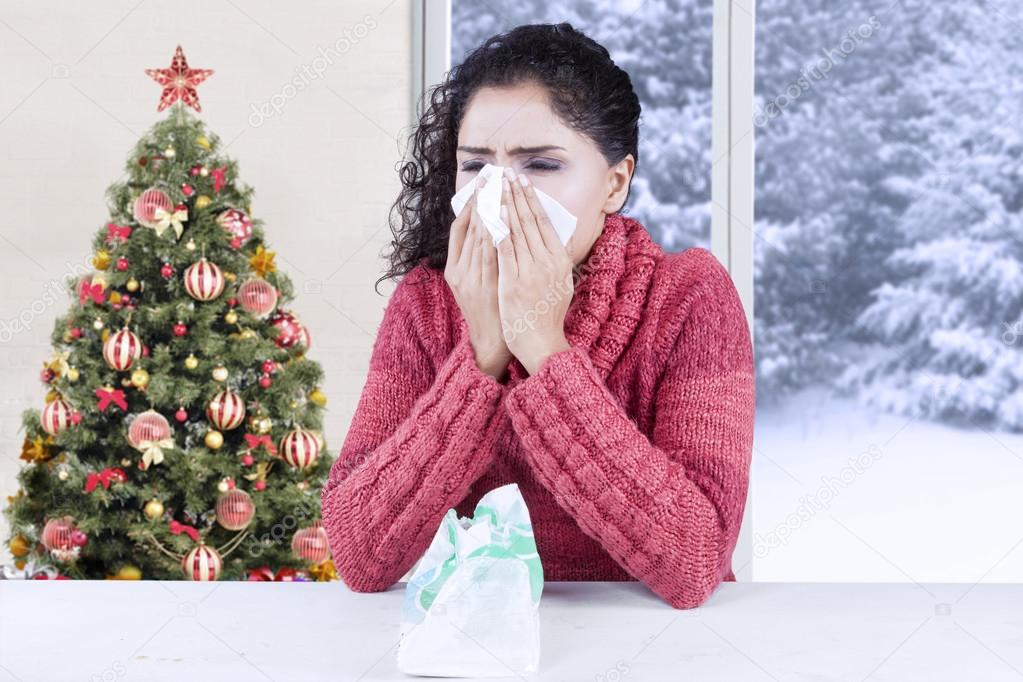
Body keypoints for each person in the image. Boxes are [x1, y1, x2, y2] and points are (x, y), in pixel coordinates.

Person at [320, 22, 755, 609]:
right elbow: (359, 555)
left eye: (543, 165)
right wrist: (481, 358)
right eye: (477, 166)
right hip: (483, 639)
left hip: (657, 644)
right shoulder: (428, 301)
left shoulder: (688, 297)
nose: (502, 192)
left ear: (615, 183)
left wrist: (543, 348)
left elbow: (695, 559)